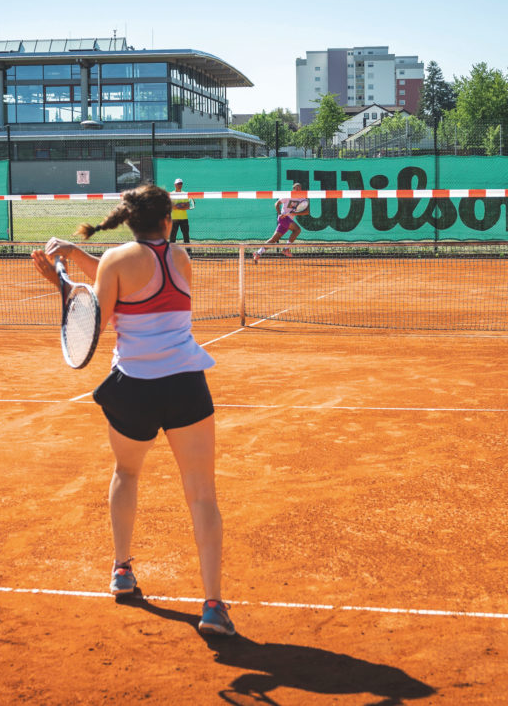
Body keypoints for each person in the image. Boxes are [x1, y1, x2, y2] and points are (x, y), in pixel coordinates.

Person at [31, 184, 235, 637]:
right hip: (186, 385)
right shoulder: (180, 257)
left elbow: (97, 314)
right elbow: (125, 279)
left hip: (133, 388)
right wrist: (78, 259)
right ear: (168, 220)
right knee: (202, 493)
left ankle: (122, 570)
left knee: (127, 473)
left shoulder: (116, 261)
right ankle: (214, 607)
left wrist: (62, 284)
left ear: (128, 220)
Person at [252, 183, 308, 262]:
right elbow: (277, 204)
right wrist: (279, 214)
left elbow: (306, 211)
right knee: (297, 230)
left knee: (274, 239)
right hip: (283, 218)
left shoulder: (302, 198)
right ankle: (286, 249)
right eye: (296, 188)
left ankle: (258, 252)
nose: (298, 189)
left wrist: (295, 213)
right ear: (293, 189)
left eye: (299, 188)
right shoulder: (288, 195)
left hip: (289, 220)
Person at [168, 178, 194, 247]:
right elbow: (171, 206)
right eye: (178, 184)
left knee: (186, 237)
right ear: (175, 185)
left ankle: (188, 253)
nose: (180, 185)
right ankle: (171, 253)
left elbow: (188, 206)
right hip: (174, 219)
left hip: (184, 218)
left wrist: (176, 206)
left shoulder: (185, 194)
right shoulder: (171, 194)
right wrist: (182, 205)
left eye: (181, 184)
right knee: (172, 238)